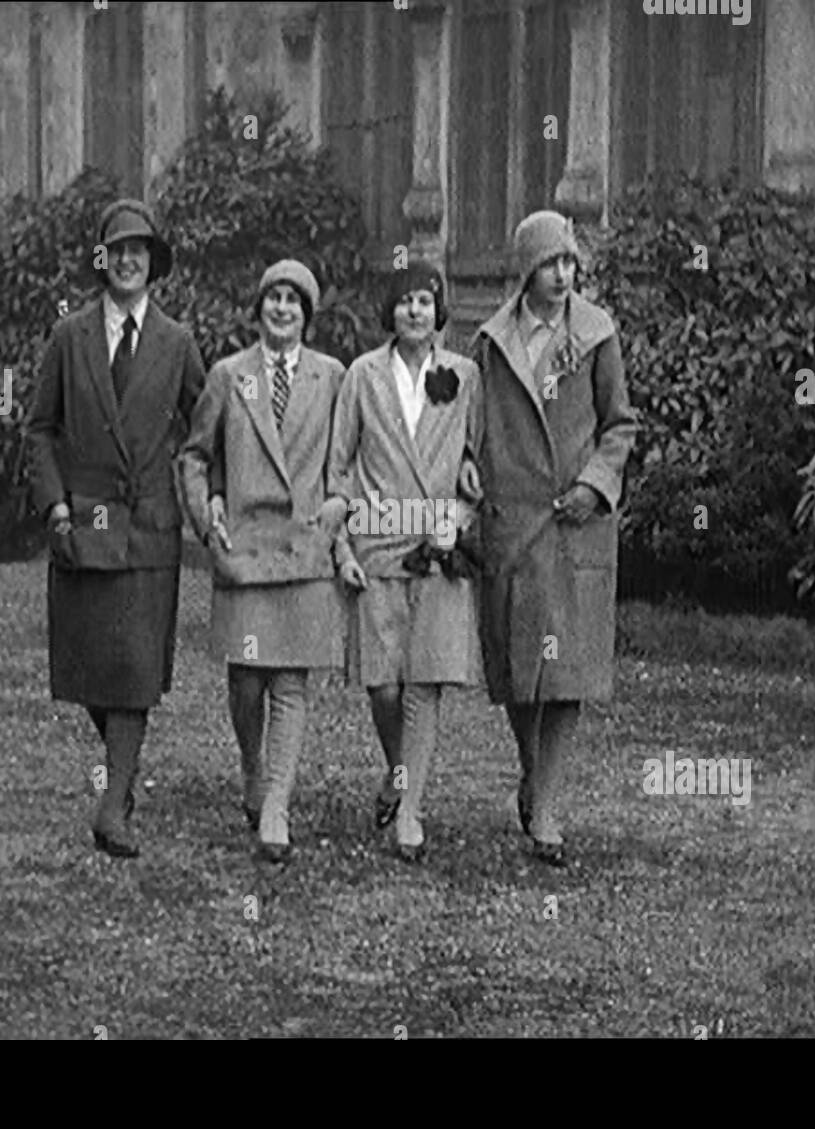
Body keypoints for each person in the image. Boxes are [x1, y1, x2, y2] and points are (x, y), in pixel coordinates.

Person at [27, 198, 206, 860]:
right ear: (103, 261)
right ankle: (122, 779)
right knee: (88, 672)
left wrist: (207, 490)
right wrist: (56, 508)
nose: (128, 260)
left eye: (140, 250)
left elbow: (206, 424)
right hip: (84, 523)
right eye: (117, 250)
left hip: (150, 527)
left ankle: (112, 805)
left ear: (153, 264)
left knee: (134, 669)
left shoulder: (177, 342)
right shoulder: (68, 337)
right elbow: (40, 429)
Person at [466, 210, 639, 867]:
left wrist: (596, 483)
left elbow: (620, 423)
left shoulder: (597, 333)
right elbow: (475, 420)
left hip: (573, 523)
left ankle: (548, 808)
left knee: (566, 672)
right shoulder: (491, 339)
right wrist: (468, 476)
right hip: (513, 520)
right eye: (550, 263)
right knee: (517, 672)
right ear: (526, 270)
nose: (563, 275)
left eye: (570, 263)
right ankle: (531, 770)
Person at [180, 259, 348, 865]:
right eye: (273, 298)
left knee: (293, 681)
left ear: (307, 314)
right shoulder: (229, 375)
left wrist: (338, 503)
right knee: (248, 679)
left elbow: (346, 455)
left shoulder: (331, 376)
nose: (282, 309)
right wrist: (207, 517)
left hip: (304, 547)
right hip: (245, 548)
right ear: (260, 309)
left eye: (294, 301)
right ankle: (252, 766)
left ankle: (276, 802)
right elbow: (195, 456)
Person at [329, 263, 481, 862]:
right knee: (384, 685)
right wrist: (341, 547)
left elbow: (476, 464)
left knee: (425, 683)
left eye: (425, 301)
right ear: (388, 312)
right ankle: (399, 769)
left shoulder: (464, 376)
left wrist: (458, 520)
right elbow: (338, 468)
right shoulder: (363, 377)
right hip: (377, 545)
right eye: (404, 302)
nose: (415, 311)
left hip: (438, 552)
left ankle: (410, 808)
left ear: (439, 311)